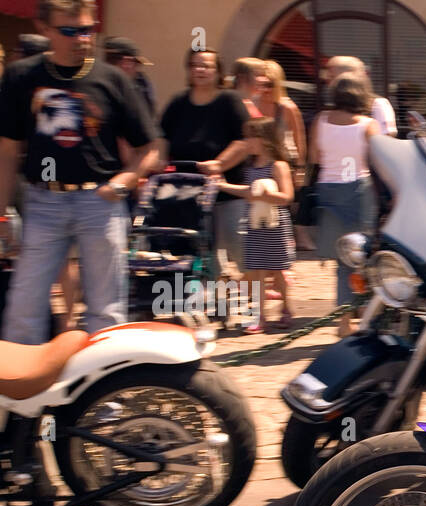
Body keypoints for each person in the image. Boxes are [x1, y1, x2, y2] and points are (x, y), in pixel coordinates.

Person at [0, 0, 161, 345]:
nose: (82, 39)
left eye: (88, 29)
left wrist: (122, 183)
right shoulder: (21, 76)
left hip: (99, 202)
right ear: (44, 30)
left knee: (105, 310)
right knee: (23, 306)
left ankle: (105, 396)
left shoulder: (113, 79)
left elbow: (152, 148)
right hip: (42, 200)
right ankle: (20, 395)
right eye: (69, 31)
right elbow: (8, 150)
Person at [159, 49, 251, 277]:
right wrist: (159, 159)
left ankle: (254, 291)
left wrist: (219, 164)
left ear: (217, 72)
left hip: (227, 190)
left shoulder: (230, 100)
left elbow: (245, 140)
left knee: (238, 244)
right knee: (201, 249)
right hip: (189, 191)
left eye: (206, 66)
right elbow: (161, 136)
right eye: (195, 65)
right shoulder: (178, 102)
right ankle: (209, 301)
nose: (200, 70)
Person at [217, 117, 294, 332]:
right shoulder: (250, 168)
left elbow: (287, 196)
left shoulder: (278, 166)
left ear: (264, 140)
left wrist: (269, 195)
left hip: (275, 225)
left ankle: (286, 308)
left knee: (278, 270)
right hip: (254, 223)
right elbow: (248, 192)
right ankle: (259, 317)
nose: (247, 142)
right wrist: (223, 186)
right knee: (257, 269)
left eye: (251, 137)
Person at [310, 74, 379, 306]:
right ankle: (362, 310)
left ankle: (344, 317)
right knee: (362, 252)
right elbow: (379, 162)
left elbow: (314, 157)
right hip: (359, 189)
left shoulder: (321, 119)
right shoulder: (368, 125)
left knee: (343, 256)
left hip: (328, 188)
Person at [255, 59, 307, 187]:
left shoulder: (287, 108)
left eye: (270, 84)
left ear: (277, 84)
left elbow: (299, 140)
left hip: (281, 166)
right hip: (256, 166)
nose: (266, 89)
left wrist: (300, 170)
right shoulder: (252, 104)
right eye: (262, 84)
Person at [325, 56, 396, 136]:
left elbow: (387, 139)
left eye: (332, 77)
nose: (328, 82)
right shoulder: (331, 109)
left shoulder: (377, 104)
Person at [103, 36, 154, 116]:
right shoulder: (101, 88)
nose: (136, 70)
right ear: (126, 63)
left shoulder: (141, 85)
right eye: (135, 64)